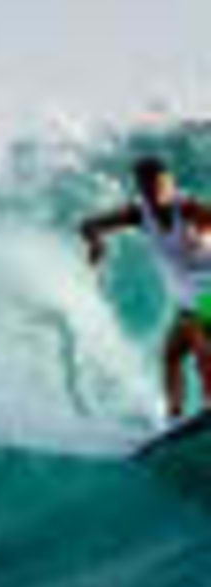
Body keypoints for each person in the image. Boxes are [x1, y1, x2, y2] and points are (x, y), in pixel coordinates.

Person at [80, 153, 211, 420]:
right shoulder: (140, 213)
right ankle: (175, 418)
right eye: (148, 186)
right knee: (172, 354)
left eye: (161, 185)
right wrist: (96, 243)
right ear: (141, 187)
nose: (156, 192)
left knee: (199, 342)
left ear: (171, 183)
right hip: (190, 295)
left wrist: (203, 233)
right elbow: (89, 224)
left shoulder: (187, 208)